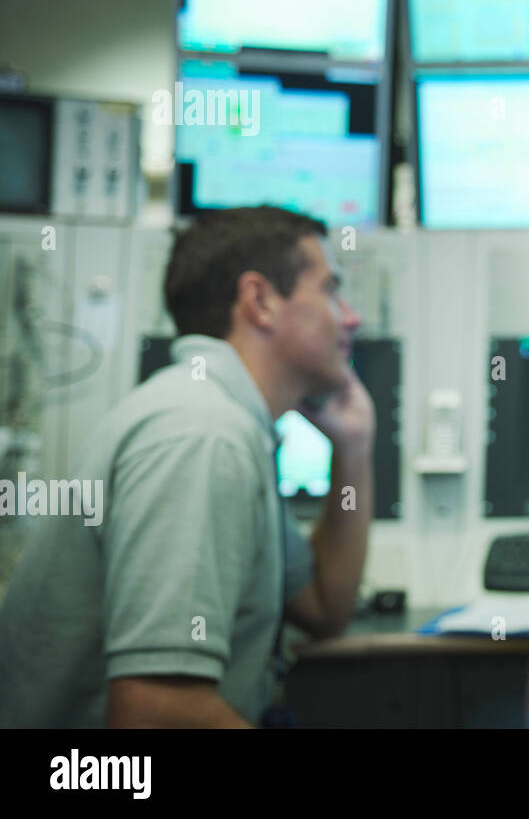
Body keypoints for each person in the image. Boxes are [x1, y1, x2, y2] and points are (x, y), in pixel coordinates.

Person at [0, 205, 374, 728]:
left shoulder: (224, 418)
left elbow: (323, 608)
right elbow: (154, 711)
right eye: (331, 290)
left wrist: (353, 449)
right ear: (260, 301)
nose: (351, 316)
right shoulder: (202, 433)